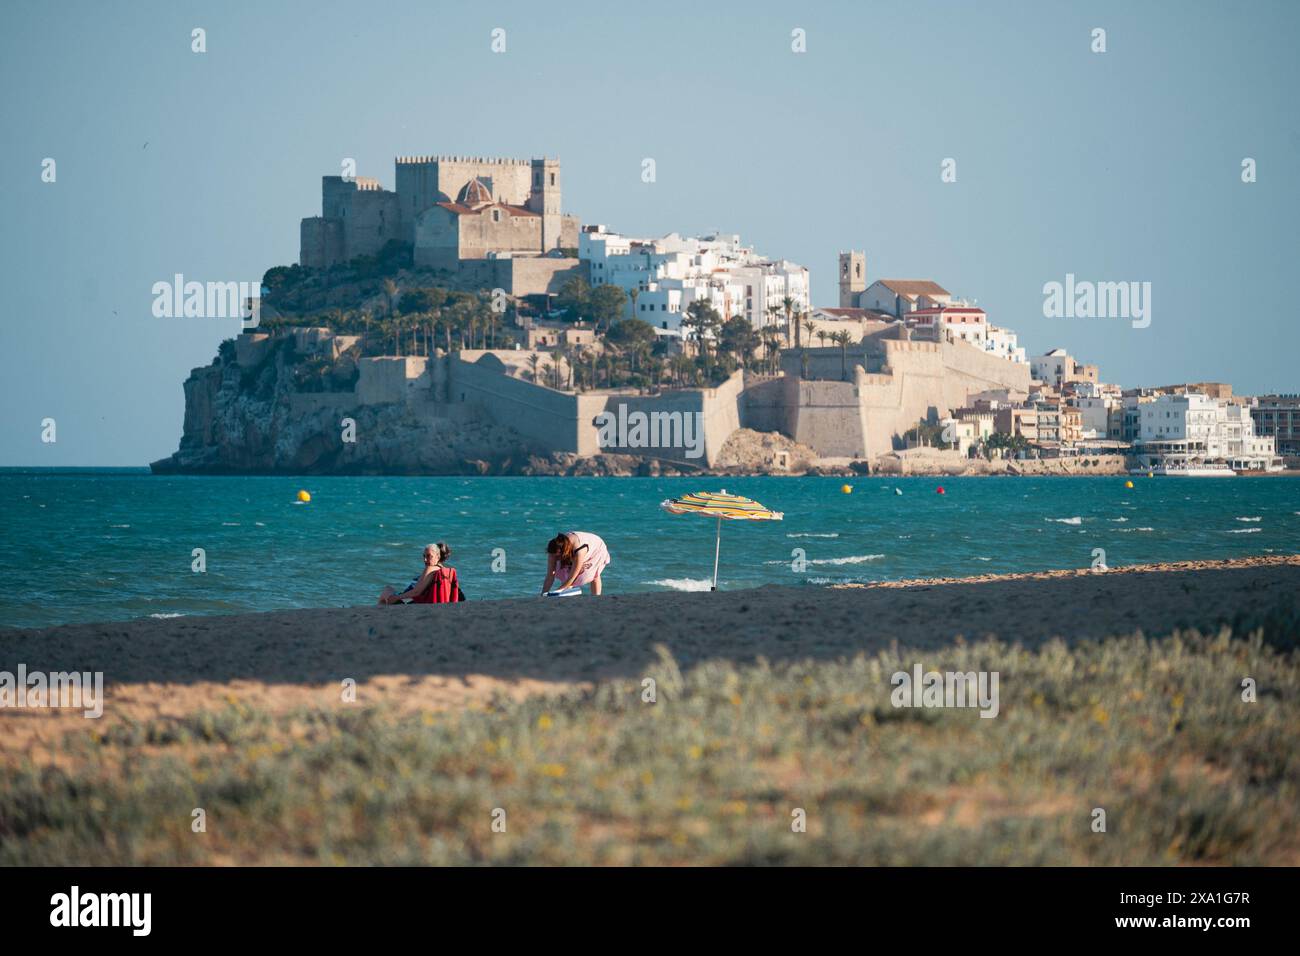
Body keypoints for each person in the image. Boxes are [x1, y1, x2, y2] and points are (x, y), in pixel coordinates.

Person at [378, 543, 464, 604]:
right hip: (431, 605)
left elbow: (416, 592)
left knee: (387, 590)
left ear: (438, 556)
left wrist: (396, 598)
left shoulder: (430, 569)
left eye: (429, 556)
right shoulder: (445, 571)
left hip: (418, 608)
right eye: (424, 556)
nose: (425, 560)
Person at [541, 531, 610, 596]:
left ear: (563, 552)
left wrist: (555, 593)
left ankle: (596, 597)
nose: (555, 559)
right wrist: (543, 594)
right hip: (573, 546)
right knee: (565, 571)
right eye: (553, 556)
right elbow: (550, 575)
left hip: (596, 548)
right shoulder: (554, 549)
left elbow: (572, 578)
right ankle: (567, 595)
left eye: (557, 557)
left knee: (593, 574)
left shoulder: (579, 550)